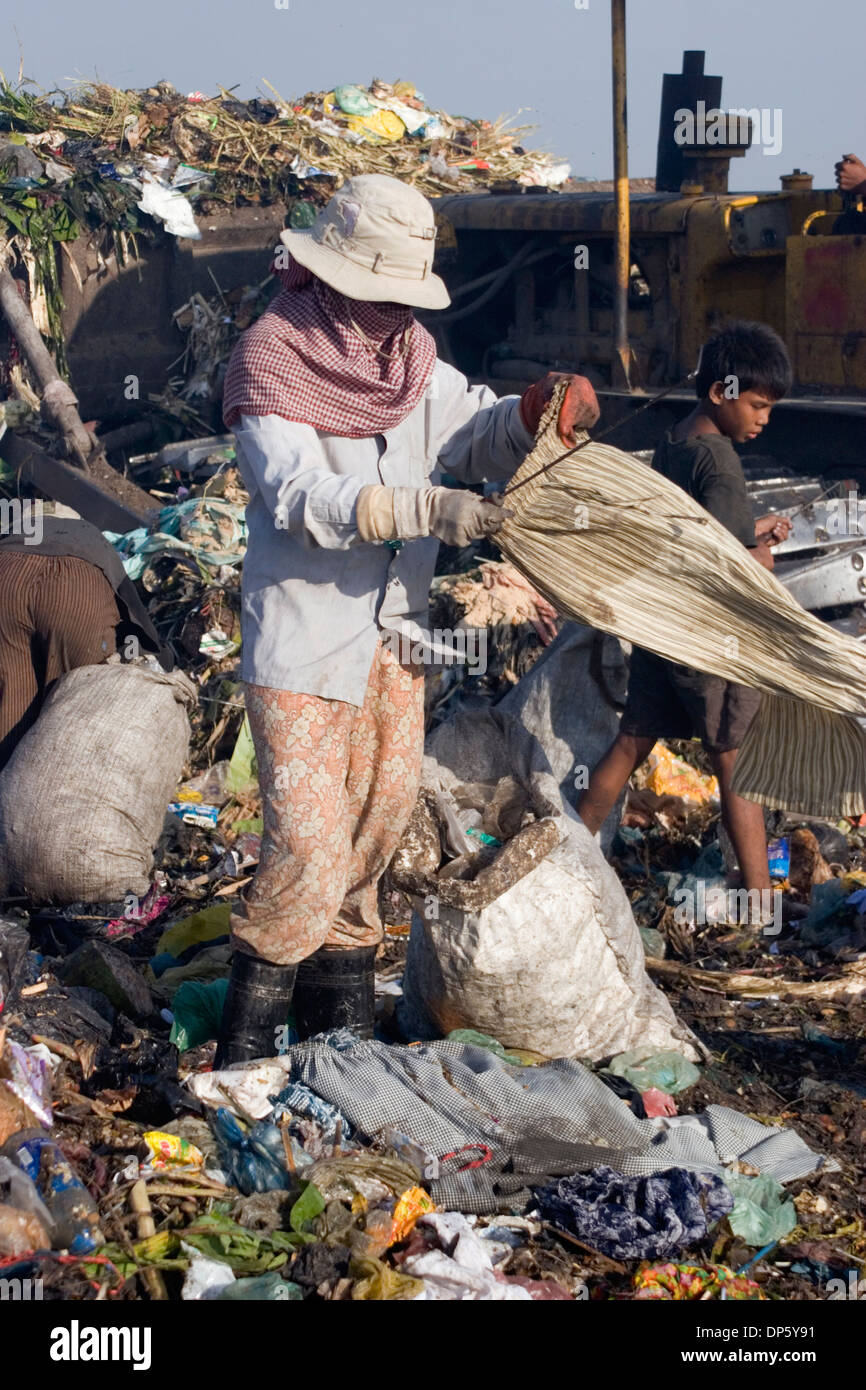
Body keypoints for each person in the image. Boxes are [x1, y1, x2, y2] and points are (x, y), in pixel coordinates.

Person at [216, 174, 597, 1064]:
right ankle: (246, 1055)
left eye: (402, 298)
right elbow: (300, 497)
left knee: (377, 832)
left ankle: (337, 1043)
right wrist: (426, 511)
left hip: (396, 640)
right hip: (305, 644)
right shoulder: (270, 359)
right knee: (307, 847)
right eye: (379, 295)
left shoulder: (411, 361)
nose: (393, 313)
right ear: (335, 278)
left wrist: (533, 412)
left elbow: (472, 432)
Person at [577, 320, 793, 920]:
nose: (764, 419)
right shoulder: (721, 463)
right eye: (757, 404)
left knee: (631, 743)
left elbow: (696, 530)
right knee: (736, 763)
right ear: (722, 393)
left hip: (662, 626)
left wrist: (752, 529)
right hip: (709, 637)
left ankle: (566, 859)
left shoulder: (676, 440)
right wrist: (762, 557)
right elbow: (726, 564)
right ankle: (762, 913)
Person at [0, 512, 168, 771]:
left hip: (7, 581)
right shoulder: (93, 540)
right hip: (75, 590)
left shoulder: (14, 533)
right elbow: (137, 626)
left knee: (12, 695)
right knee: (76, 708)